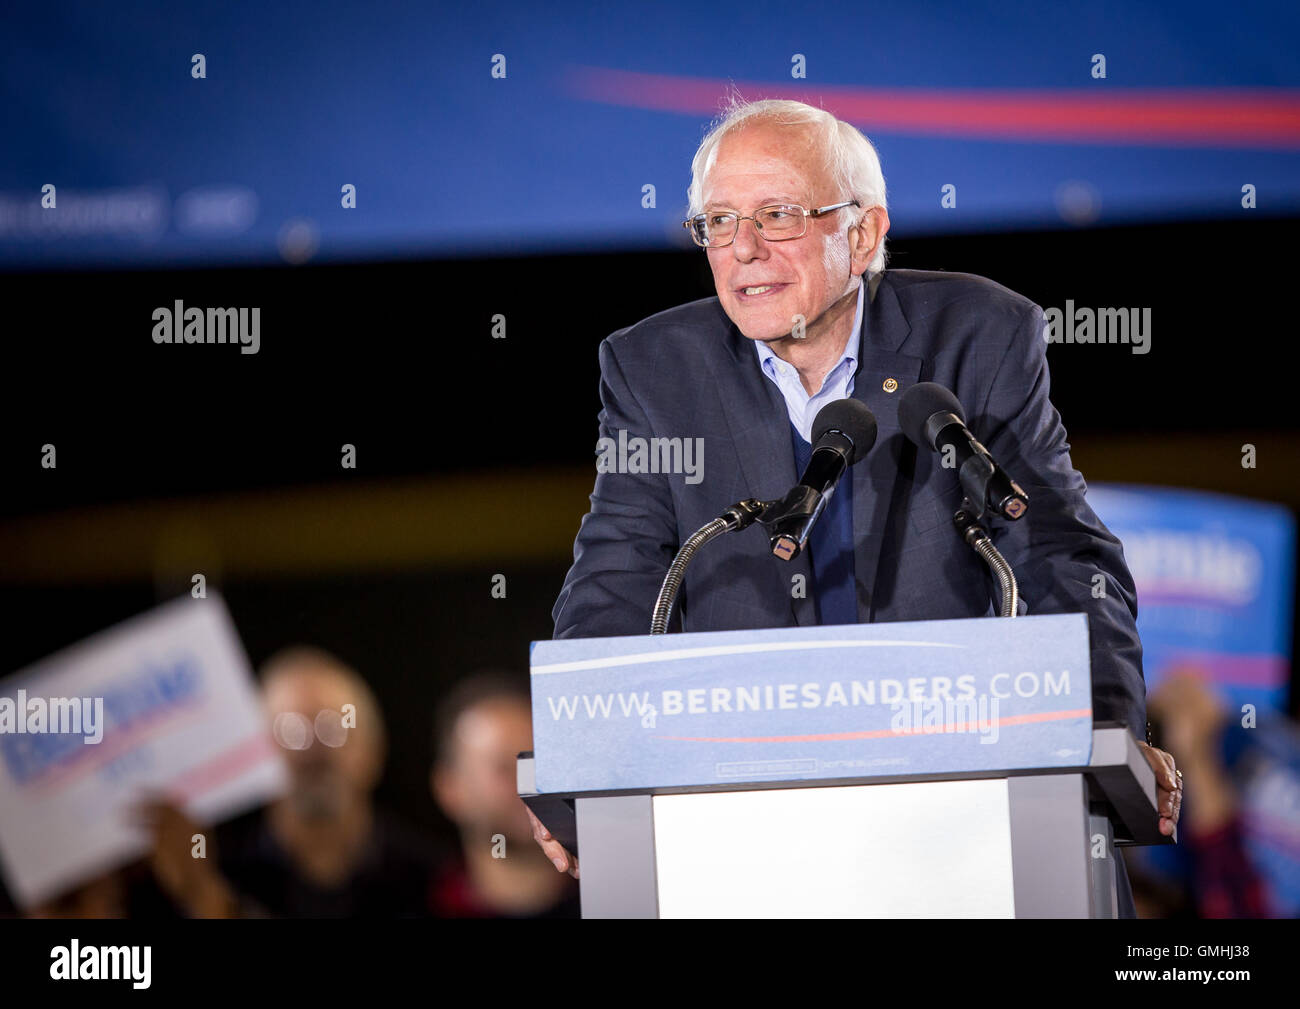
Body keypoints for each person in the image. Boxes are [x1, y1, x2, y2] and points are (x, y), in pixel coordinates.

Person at [536, 97, 1182, 914]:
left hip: (971, 805)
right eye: (718, 221)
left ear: (865, 233)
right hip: (748, 827)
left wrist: (1108, 731)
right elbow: (617, 576)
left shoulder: (977, 332)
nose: (742, 248)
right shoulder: (654, 368)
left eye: (777, 215)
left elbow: (1056, 551)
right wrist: (582, 764)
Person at [137, 645, 437, 917]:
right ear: (254, 755)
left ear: (374, 750)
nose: (312, 750)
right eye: (290, 732)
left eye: (333, 728)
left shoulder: (438, 886)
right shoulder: (213, 879)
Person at [430, 673, 578, 917]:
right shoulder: (414, 902)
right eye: (503, 768)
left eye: (537, 761)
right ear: (449, 789)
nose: (529, 782)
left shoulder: (619, 900)